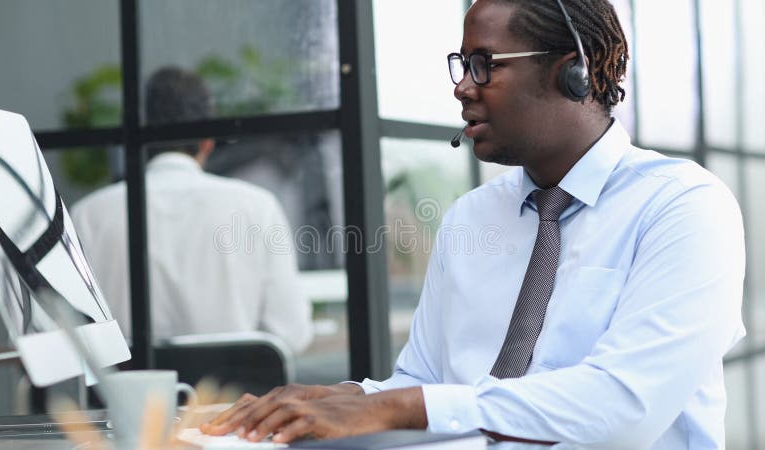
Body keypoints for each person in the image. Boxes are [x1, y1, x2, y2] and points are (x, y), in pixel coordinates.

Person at [199, 0, 745, 448]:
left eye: (484, 64)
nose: (462, 87)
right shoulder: (471, 217)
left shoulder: (683, 207)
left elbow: (625, 408)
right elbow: (423, 383)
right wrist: (342, 400)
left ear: (570, 72)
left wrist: (402, 406)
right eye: (461, 65)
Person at [70, 67, 313, 354]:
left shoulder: (88, 215)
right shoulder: (258, 207)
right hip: (236, 396)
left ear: (135, 139)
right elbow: (292, 332)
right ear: (208, 142)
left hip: (127, 396)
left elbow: (70, 336)